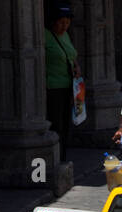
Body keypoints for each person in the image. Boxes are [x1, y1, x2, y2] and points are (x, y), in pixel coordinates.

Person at [44, 3, 79, 154]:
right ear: (53, 22)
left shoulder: (65, 35)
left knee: (66, 123)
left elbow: (71, 55)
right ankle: (55, 155)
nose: (64, 26)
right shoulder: (45, 35)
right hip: (53, 87)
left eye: (67, 22)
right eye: (61, 22)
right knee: (56, 123)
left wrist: (77, 67)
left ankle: (63, 152)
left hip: (69, 86)